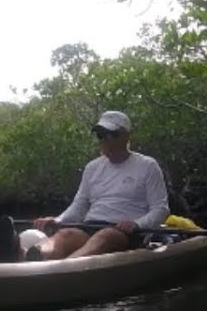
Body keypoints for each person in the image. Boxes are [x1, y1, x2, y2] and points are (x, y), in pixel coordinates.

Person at [23, 110, 170, 261]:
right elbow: (79, 205)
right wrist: (58, 220)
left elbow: (160, 209)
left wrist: (137, 224)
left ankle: (64, 271)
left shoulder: (148, 166)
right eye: (100, 135)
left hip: (126, 233)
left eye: (111, 134)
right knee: (65, 234)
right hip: (90, 227)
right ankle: (35, 257)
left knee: (105, 236)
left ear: (126, 136)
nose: (105, 140)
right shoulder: (92, 167)